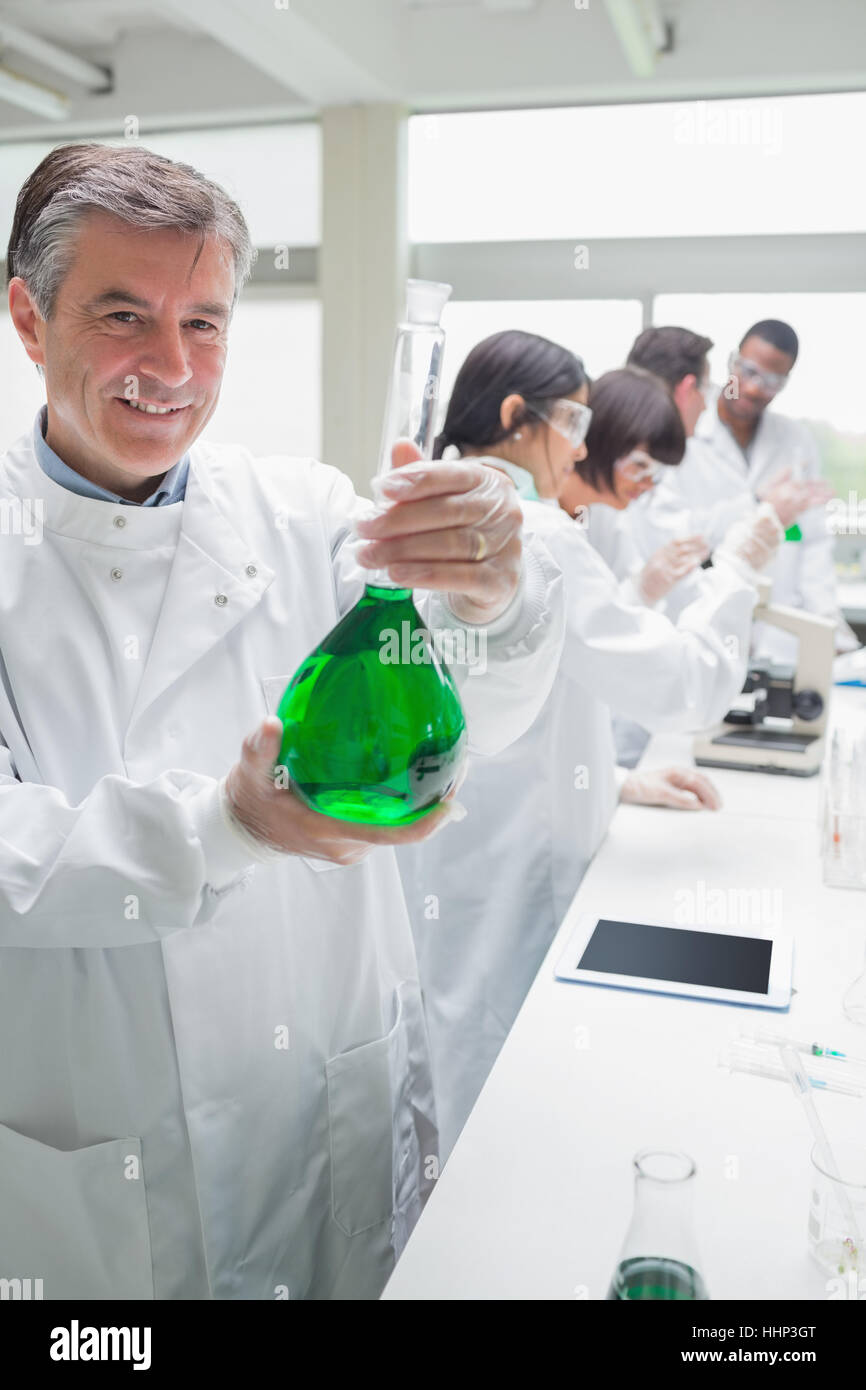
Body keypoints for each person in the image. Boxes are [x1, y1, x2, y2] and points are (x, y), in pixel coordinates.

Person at [0, 145, 566, 1301]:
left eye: (203, 323)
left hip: (325, 1108)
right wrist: (221, 829)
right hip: (100, 1171)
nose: (171, 366)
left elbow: (469, 722)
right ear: (27, 314)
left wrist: (489, 594)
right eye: (124, 314)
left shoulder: (307, 515)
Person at [397, 336, 783, 1162]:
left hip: (450, 870)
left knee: (447, 1090)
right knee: (501, 1116)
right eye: (573, 417)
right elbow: (683, 685)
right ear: (515, 417)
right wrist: (738, 575)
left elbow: (499, 714)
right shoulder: (537, 532)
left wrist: (607, 777)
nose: (582, 440)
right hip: (509, 882)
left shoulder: (435, 512)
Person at [626, 320, 850, 661]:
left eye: (774, 380)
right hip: (697, 616)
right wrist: (759, 505)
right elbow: (672, 533)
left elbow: (812, 542)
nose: (756, 387)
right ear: (733, 361)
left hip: (778, 631)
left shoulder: (795, 442)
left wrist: (827, 625)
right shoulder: (682, 428)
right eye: (749, 370)